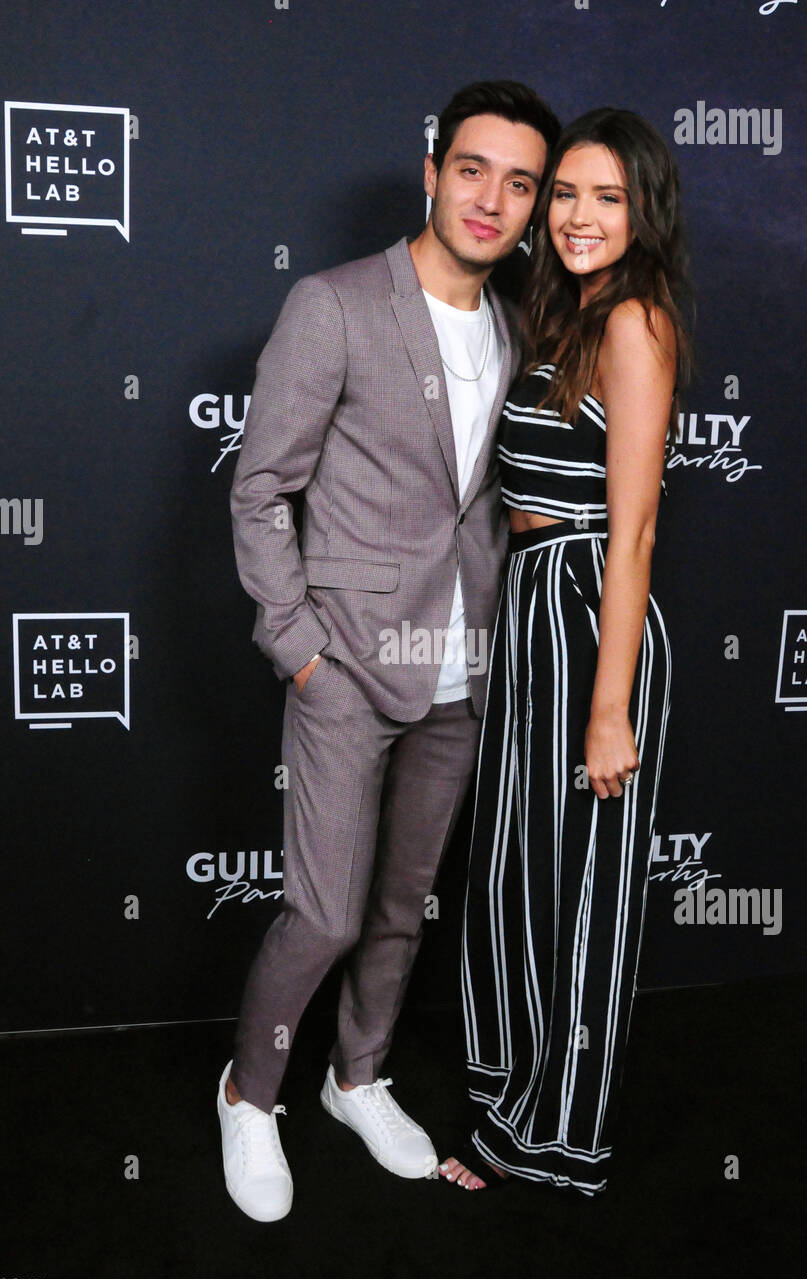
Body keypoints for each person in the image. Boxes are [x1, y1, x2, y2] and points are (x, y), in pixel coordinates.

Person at [218, 81, 560, 1221]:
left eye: (520, 181)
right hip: (346, 667)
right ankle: (249, 1089)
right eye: (473, 169)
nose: (492, 198)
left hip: (464, 670)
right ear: (431, 172)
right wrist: (297, 645)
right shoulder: (337, 304)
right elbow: (260, 486)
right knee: (323, 911)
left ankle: (356, 1076)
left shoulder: (520, 326)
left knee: (404, 906)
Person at [439, 107, 693, 1192]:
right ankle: (511, 1084)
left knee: (581, 889)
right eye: (566, 194)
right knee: (522, 872)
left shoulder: (634, 321)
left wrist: (608, 706)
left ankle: (549, 1137)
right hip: (531, 608)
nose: (578, 216)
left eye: (607, 198)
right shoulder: (556, 314)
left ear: (642, 215)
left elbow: (632, 529)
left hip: (591, 612)